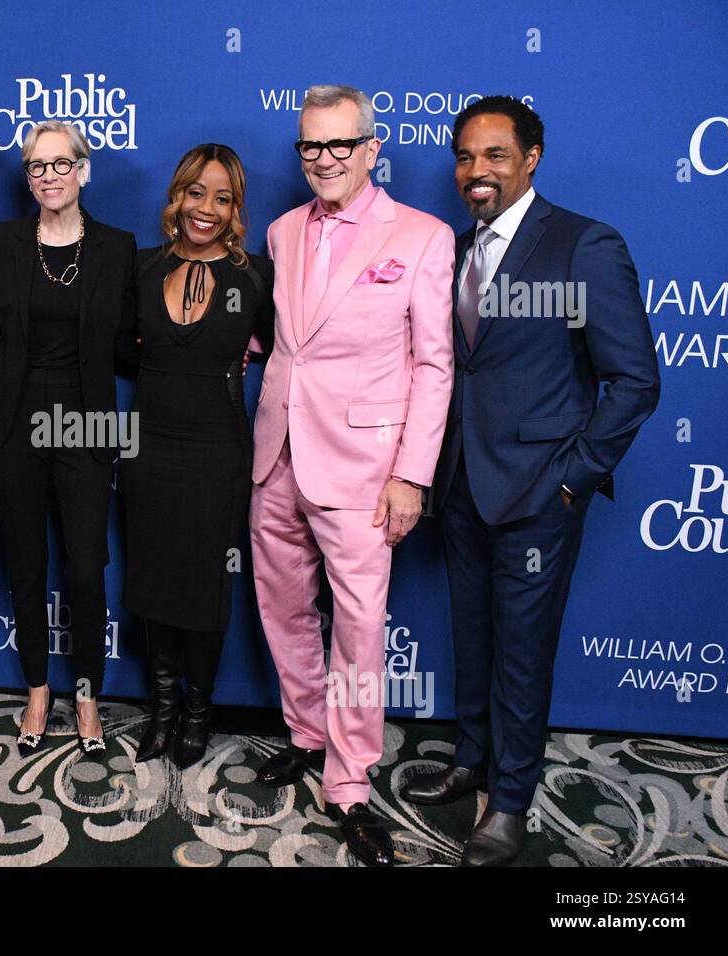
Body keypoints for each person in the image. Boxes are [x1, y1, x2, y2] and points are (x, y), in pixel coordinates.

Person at [400, 96, 661, 866]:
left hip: (540, 494)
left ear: (532, 158)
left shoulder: (583, 245)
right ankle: (472, 760)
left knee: (522, 652)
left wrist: (573, 480)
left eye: (495, 156)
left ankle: (509, 801)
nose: (475, 172)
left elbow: (635, 382)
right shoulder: (449, 250)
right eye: (465, 158)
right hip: (460, 486)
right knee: (473, 638)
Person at [249, 85, 454, 866]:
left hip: (368, 470)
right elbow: (288, 344)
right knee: (284, 609)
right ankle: (305, 734)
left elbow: (434, 367)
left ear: (373, 148)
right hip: (275, 454)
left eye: (341, 145)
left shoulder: (424, 236)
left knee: (360, 632)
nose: (325, 160)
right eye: (311, 146)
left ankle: (351, 781)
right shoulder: (280, 231)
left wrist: (412, 476)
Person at [0, 120, 137, 760]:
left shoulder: (118, 247)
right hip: (13, 419)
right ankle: (37, 690)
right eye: (37, 167)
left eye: (61, 164)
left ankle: (87, 696)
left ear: (84, 171)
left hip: (87, 421)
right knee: (25, 565)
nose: (49, 176)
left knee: (86, 567)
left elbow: (128, 343)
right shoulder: (5, 241)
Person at [120, 144, 274, 769]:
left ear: (236, 209)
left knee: (207, 585)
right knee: (154, 577)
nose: (205, 208)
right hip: (149, 443)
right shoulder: (141, 267)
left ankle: (197, 712)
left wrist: (244, 352)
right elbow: (119, 347)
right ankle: (161, 708)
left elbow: (285, 348)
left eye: (223, 198)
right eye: (196, 193)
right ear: (177, 197)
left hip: (217, 448)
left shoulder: (255, 276)